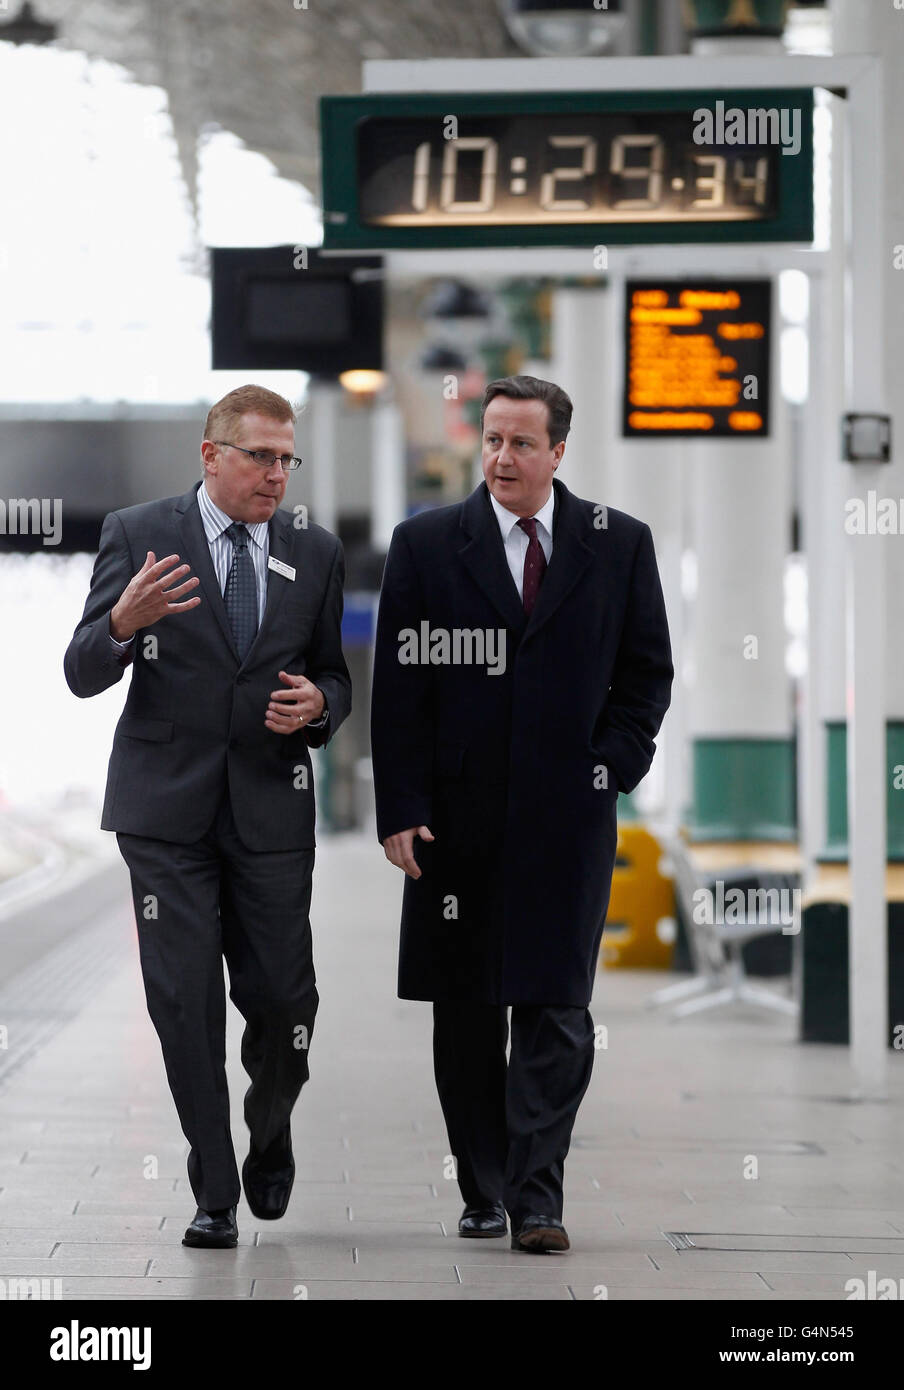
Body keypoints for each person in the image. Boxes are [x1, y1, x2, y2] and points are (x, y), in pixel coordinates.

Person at [370, 374, 672, 1253]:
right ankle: (484, 1186)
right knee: (465, 1009)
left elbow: (645, 673)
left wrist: (612, 765)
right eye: (492, 440)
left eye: (521, 443)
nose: (502, 457)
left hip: (567, 820)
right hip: (453, 826)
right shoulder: (427, 544)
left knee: (556, 1007)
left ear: (558, 452)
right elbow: (401, 692)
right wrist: (403, 807)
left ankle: (539, 1198)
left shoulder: (618, 545)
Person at [64, 385, 351, 1249]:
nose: (276, 474)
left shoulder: (316, 550)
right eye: (260, 456)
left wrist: (320, 707)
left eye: (286, 458)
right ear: (210, 454)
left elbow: (335, 676)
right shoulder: (136, 535)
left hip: (269, 811)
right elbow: (81, 670)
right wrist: (122, 620)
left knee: (282, 1000)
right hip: (165, 814)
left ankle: (271, 1123)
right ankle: (213, 1185)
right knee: (184, 1001)